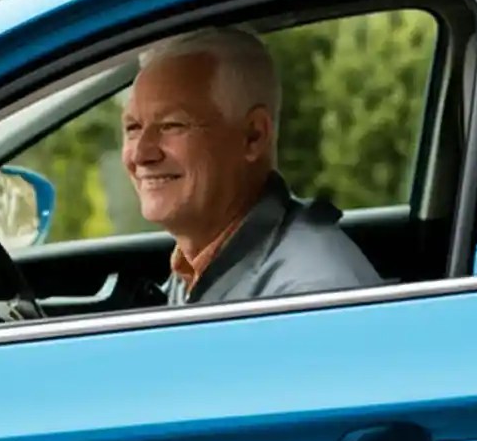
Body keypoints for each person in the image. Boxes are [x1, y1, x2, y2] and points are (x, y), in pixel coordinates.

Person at [121, 27, 383, 306]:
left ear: (253, 137)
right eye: (133, 128)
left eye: (172, 125)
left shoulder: (309, 295)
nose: (140, 154)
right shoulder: (199, 265)